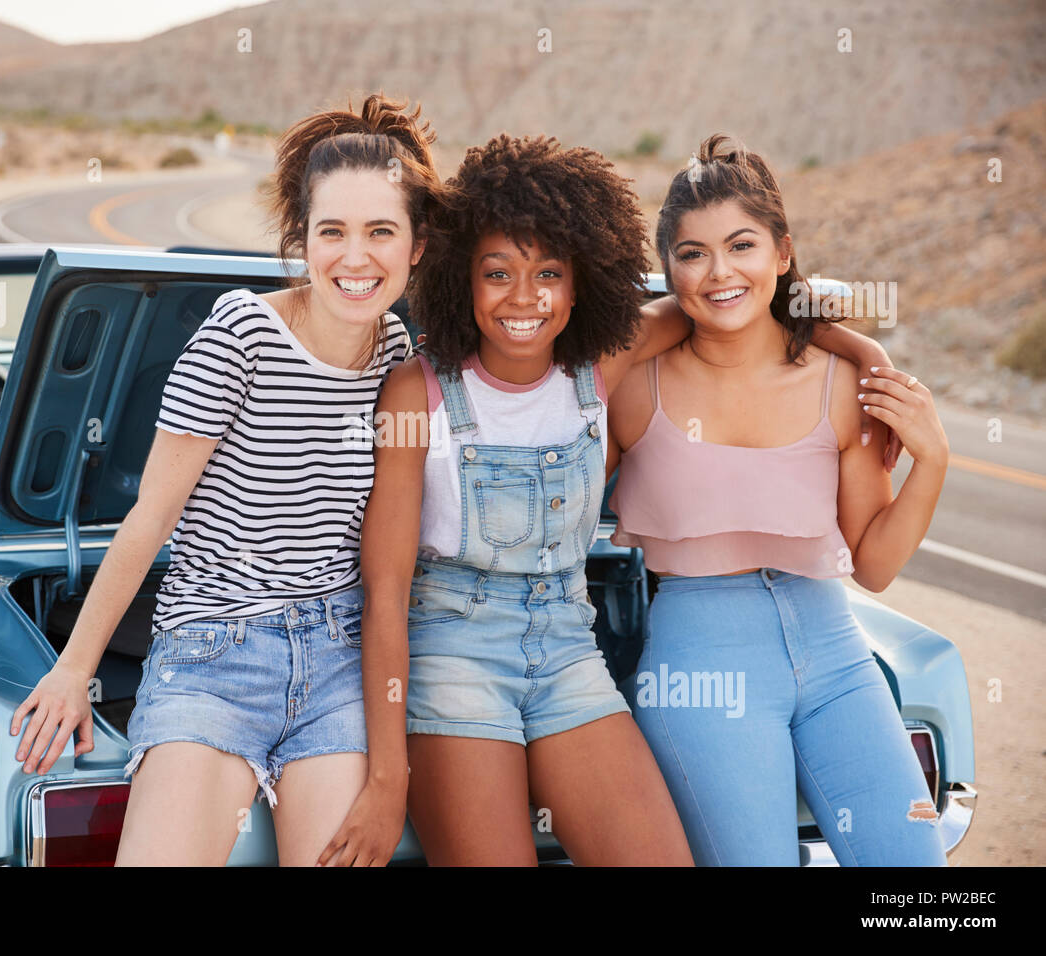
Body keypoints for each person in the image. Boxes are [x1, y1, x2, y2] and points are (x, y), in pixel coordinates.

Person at [336, 133, 892, 865]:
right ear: (461, 278)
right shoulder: (420, 391)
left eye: (549, 273)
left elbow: (725, 305)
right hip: (453, 656)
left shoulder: (602, 365)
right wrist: (385, 779)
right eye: (497, 273)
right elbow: (384, 591)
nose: (525, 297)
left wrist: (866, 352)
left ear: (581, 284)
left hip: (569, 650)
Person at [9, 92, 453, 866]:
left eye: (381, 231)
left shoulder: (395, 351)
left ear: (417, 246)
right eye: (332, 232)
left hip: (339, 660)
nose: (356, 258)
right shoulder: (239, 334)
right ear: (301, 238)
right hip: (214, 650)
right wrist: (74, 668)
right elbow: (151, 517)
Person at [606, 133, 950, 866]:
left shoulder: (840, 383)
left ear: (782, 252)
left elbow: (875, 566)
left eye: (742, 246)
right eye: (693, 254)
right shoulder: (633, 387)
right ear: (668, 270)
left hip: (837, 654)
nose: (719, 272)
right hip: (699, 669)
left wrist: (934, 460)